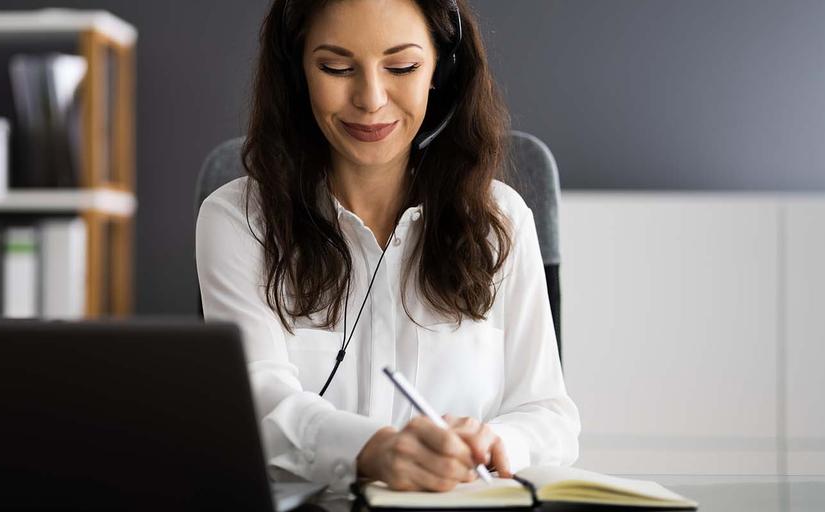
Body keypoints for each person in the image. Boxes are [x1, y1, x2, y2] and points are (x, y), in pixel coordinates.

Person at [196, 0, 580, 493]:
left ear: (443, 69)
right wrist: (372, 450)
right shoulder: (239, 220)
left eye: (402, 67)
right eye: (336, 67)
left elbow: (549, 414)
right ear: (297, 73)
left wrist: (493, 442)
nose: (371, 98)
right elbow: (257, 401)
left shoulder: (500, 221)